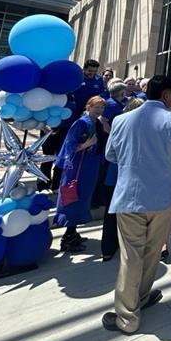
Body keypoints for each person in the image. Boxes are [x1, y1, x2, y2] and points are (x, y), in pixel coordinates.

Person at [101, 76, 171, 334]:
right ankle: (139, 298)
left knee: (131, 256)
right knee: (152, 252)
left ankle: (128, 316)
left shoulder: (120, 120)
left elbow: (111, 155)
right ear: (165, 95)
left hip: (129, 195)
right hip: (162, 195)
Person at [54, 96, 106, 253]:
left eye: (101, 108)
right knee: (73, 197)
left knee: (83, 197)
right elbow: (70, 145)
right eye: (96, 107)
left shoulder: (97, 123)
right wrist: (86, 144)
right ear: (88, 106)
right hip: (79, 166)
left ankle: (73, 230)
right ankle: (68, 236)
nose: (99, 110)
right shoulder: (81, 123)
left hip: (90, 165)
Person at [100, 83, 132, 261]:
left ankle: (108, 248)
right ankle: (117, 245)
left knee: (111, 213)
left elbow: (110, 153)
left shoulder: (119, 126)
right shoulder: (125, 126)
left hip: (115, 175)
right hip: (122, 176)